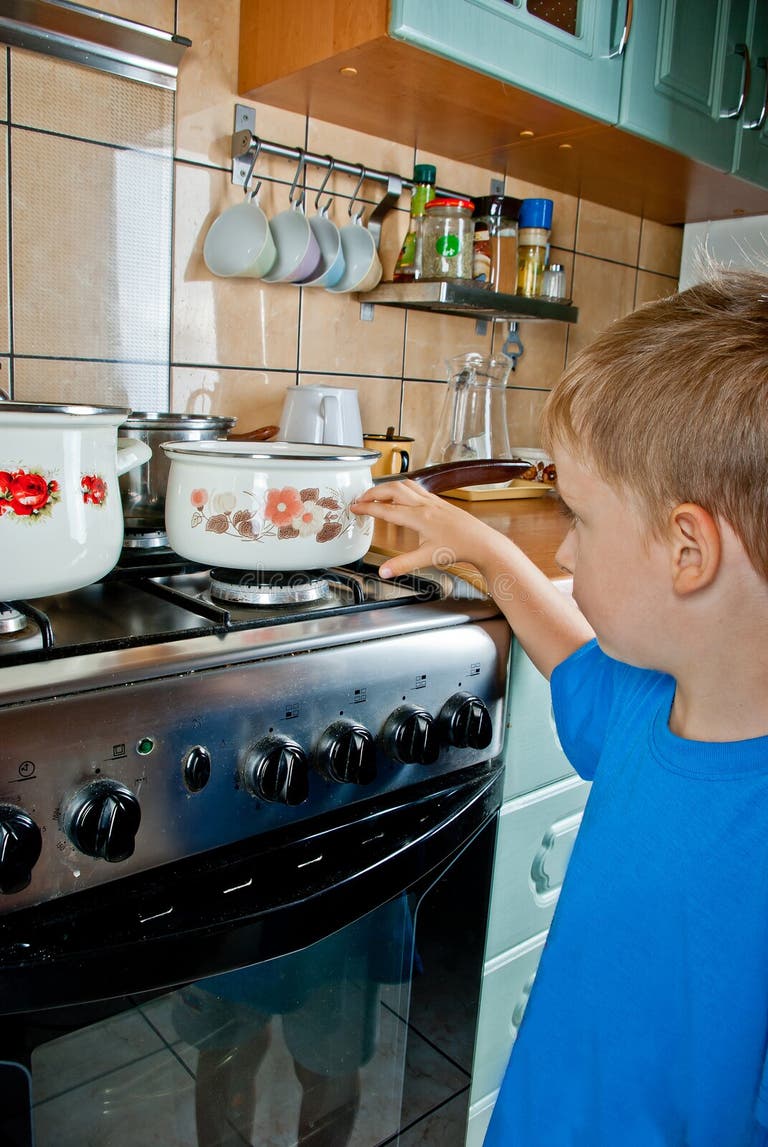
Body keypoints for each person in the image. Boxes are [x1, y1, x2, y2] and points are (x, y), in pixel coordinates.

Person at [350, 269, 768, 1146]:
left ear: (688, 549)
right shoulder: (650, 708)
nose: (567, 548)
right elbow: (567, 648)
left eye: (579, 516)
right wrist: (486, 550)